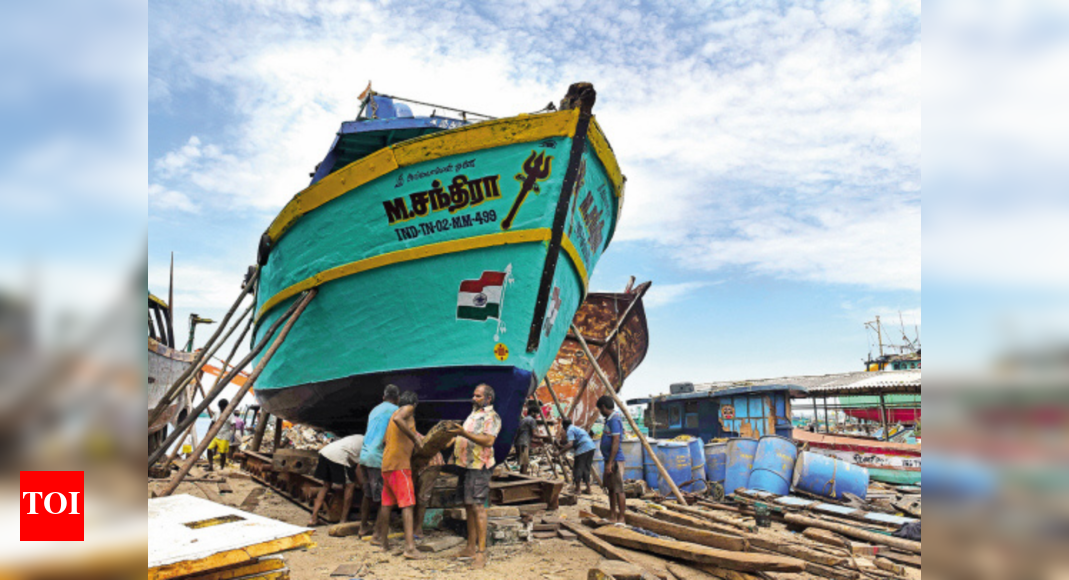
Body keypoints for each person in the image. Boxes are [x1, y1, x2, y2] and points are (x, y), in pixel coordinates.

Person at [446, 384, 501, 570]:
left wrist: (463, 433)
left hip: (479, 466)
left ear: (488, 399)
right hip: (465, 465)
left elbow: (489, 440)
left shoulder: (491, 417)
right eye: (474, 395)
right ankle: (470, 547)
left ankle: (481, 552)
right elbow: (465, 436)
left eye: (478, 396)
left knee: (478, 507)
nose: (473, 398)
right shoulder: (473, 414)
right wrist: (451, 439)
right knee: (468, 506)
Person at [376, 391, 424, 560]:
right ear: (414, 404)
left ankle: (383, 543)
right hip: (400, 466)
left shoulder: (394, 415)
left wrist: (411, 438)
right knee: (408, 505)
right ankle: (410, 548)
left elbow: (384, 440)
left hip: (388, 465)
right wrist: (415, 439)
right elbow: (399, 421)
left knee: (387, 504)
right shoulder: (406, 411)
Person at [357, 384, 400, 539]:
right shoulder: (395, 411)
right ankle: (377, 533)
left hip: (364, 455)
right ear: (398, 398)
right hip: (377, 458)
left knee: (367, 495)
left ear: (383, 397)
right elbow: (386, 437)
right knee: (384, 497)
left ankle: (363, 527)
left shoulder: (375, 409)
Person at [309, 434, 364, 527]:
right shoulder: (368, 445)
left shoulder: (358, 437)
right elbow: (358, 468)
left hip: (325, 452)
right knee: (350, 486)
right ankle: (343, 520)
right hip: (338, 456)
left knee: (326, 486)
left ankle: (313, 519)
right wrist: (363, 486)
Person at [597, 395, 627, 524]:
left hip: (614, 460)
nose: (600, 412)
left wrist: (610, 462)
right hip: (609, 460)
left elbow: (616, 441)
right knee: (610, 489)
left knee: (618, 489)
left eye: (600, 409)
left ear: (603, 407)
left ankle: (621, 518)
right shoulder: (609, 420)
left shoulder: (614, 420)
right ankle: (613, 515)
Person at [557, 418, 596, 495]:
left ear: (564, 426)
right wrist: (561, 447)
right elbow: (571, 445)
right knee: (586, 469)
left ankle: (578, 489)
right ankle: (588, 489)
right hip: (591, 447)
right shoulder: (576, 428)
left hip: (583, 449)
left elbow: (570, 444)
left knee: (578, 469)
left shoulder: (570, 430)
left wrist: (559, 453)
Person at [206, 399, 234, 471]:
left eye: (222, 407)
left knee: (222, 453)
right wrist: (208, 431)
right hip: (216, 435)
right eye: (220, 407)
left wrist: (232, 434)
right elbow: (212, 422)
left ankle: (222, 467)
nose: (221, 409)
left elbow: (233, 425)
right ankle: (210, 465)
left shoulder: (230, 414)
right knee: (209, 449)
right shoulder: (217, 413)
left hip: (224, 436)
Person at [513, 401, 540, 474]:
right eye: (537, 413)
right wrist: (545, 437)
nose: (537, 415)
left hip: (519, 442)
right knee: (525, 463)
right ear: (533, 413)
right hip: (524, 443)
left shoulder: (523, 420)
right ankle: (523, 479)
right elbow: (534, 434)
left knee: (523, 463)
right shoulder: (532, 420)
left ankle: (522, 476)